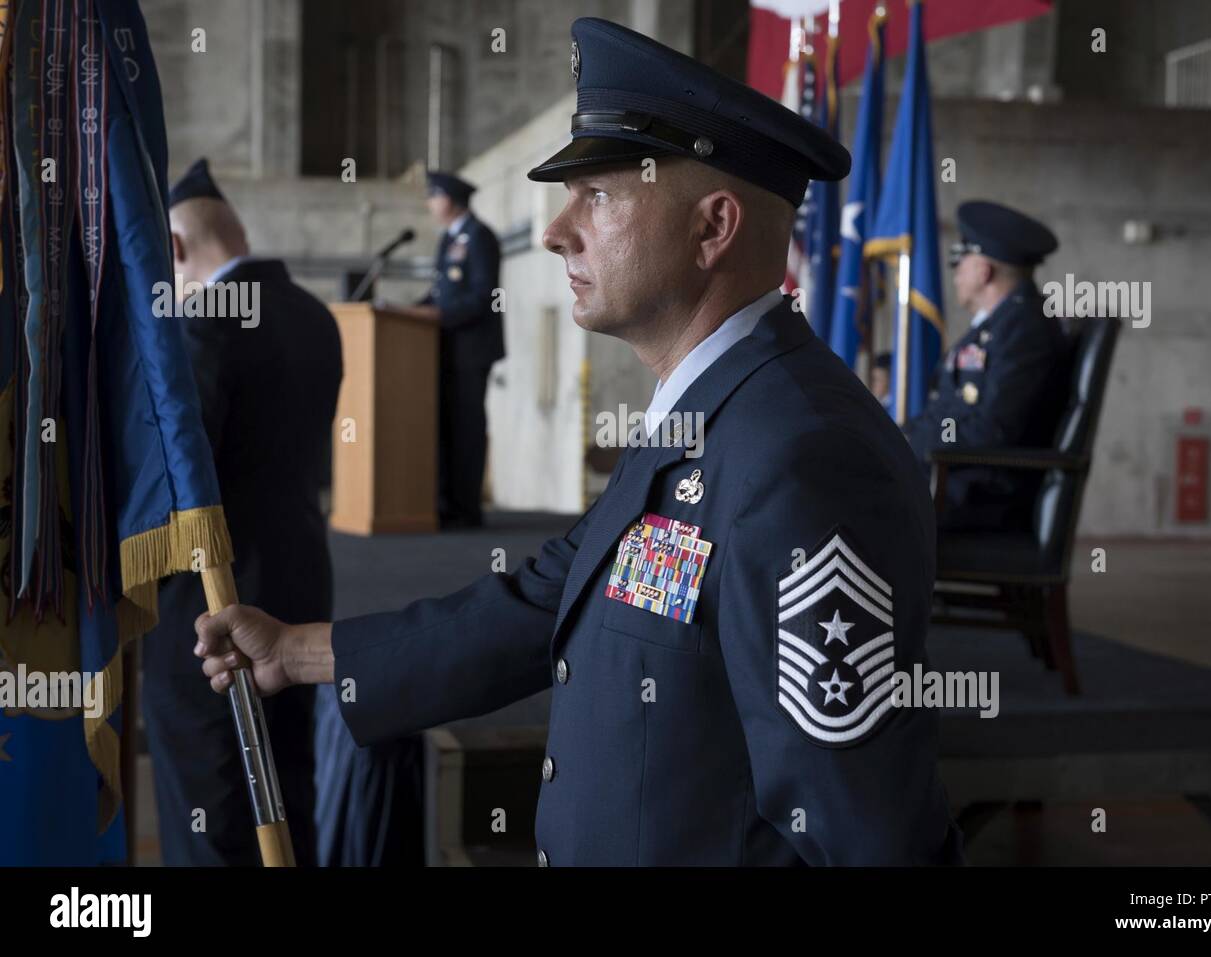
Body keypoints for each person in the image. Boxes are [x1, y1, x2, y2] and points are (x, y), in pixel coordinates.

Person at [195, 17, 963, 866]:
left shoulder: (805, 458)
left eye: (597, 195)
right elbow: (541, 603)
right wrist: (295, 649)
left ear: (714, 228)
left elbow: (866, 836)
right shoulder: (705, 409)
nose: (559, 230)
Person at [144, 158, 341, 866]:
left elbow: (180, 489)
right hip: (301, 582)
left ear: (172, 248)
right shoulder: (317, 316)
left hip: (214, 609)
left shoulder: (204, 329)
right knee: (289, 788)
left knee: (214, 807)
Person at [903, 200, 1068, 531]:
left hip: (980, 493)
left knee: (849, 490)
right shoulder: (1003, 325)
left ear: (983, 271)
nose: (956, 274)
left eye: (961, 262)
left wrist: (904, 443)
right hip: (959, 478)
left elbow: (992, 430)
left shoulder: (1024, 330)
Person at [379, 173, 505, 529]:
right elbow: (438, 294)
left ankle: (466, 509)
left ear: (449, 199)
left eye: (433, 197)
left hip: (470, 350)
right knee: (446, 427)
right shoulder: (449, 239)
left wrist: (432, 314)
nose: (430, 204)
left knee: (465, 428)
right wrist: (404, 310)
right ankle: (445, 503)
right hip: (444, 349)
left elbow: (482, 299)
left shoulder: (479, 237)